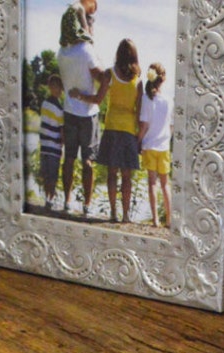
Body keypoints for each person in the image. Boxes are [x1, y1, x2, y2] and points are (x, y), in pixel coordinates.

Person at [55, 0, 106, 215]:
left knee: (69, 158)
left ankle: (66, 202)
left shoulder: (61, 53)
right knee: (87, 161)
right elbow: (105, 79)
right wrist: (94, 99)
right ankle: (87, 205)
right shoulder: (86, 50)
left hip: (69, 111)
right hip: (87, 114)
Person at [83, 38, 141, 224]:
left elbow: (98, 100)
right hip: (129, 130)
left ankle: (113, 213)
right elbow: (138, 113)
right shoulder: (138, 81)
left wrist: (79, 95)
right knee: (127, 176)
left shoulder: (110, 74)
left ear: (118, 54)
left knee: (112, 173)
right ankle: (125, 215)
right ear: (134, 56)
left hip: (112, 127)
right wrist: (139, 137)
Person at [137, 63, 172, 228]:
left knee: (152, 183)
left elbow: (143, 125)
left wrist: (138, 141)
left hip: (149, 145)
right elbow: (171, 125)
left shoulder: (145, 99)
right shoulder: (167, 101)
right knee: (165, 184)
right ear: (162, 80)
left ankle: (156, 219)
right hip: (164, 146)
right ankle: (170, 219)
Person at [36, 74, 66, 210]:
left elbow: (61, 129)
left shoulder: (59, 108)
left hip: (53, 146)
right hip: (46, 145)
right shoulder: (47, 104)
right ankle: (47, 198)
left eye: (59, 88)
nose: (58, 90)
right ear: (50, 87)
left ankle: (50, 198)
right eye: (55, 87)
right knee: (46, 173)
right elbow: (60, 128)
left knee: (52, 174)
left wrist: (62, 143)